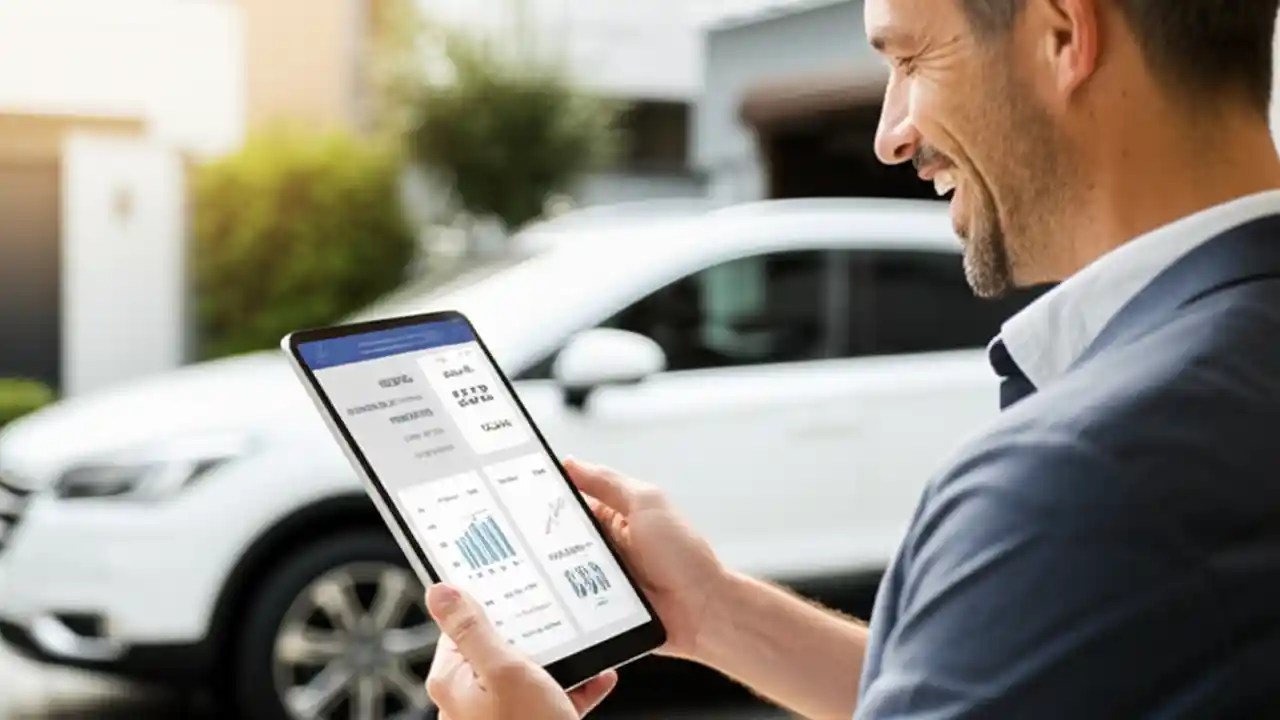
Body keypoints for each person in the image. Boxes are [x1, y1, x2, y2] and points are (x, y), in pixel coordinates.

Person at [423, 0, 1280, 716]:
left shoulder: (1080, 474)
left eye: (910, 60)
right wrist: (717, 614)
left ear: (1063, 34)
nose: (890, 135)